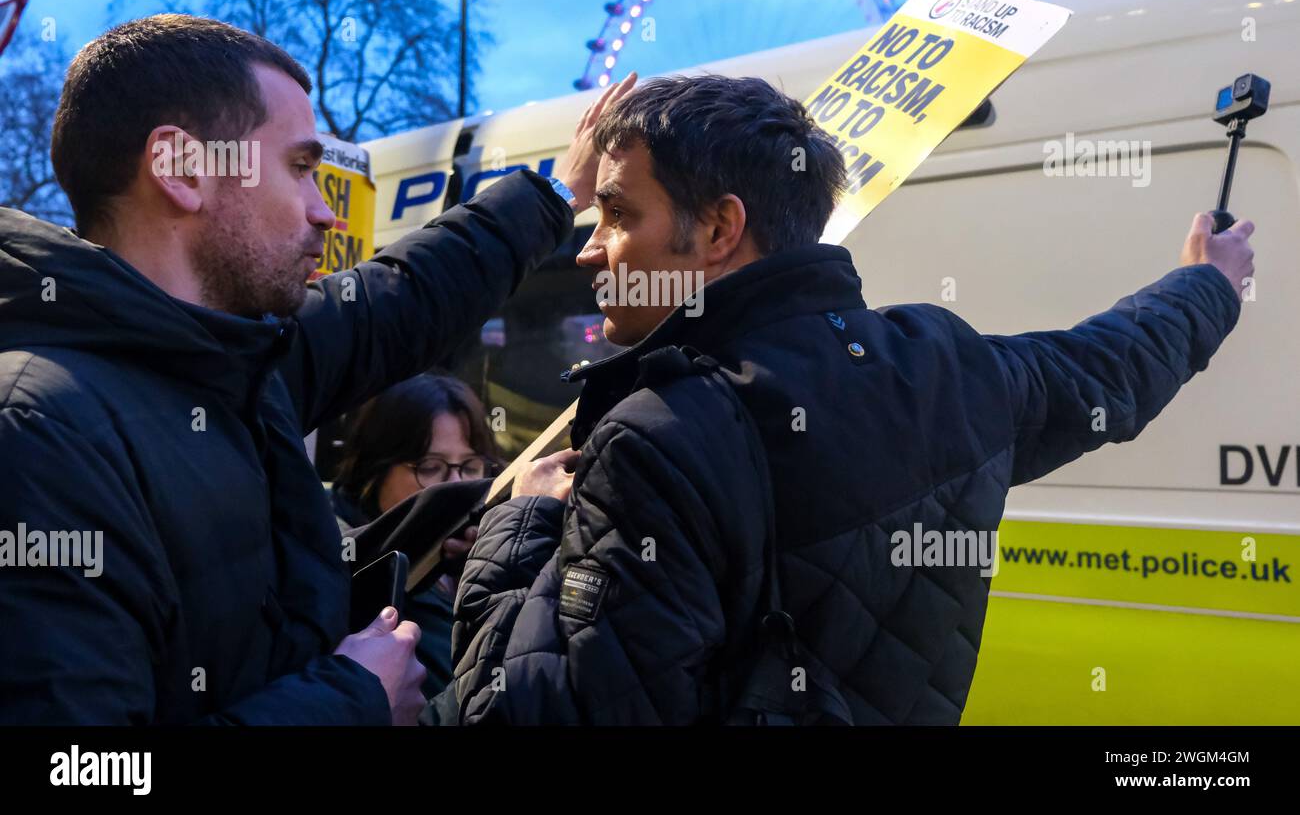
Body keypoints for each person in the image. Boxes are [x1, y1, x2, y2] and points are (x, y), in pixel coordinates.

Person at [448, 73, 1255, 724]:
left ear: (722, 228)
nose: (589, 252)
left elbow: (516, 711)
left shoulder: (656, 440)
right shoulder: (940, 364)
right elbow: (1108, 367)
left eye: (618, 214)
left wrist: (521, 522)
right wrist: (1208, 284)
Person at [0, 13, 632, 724]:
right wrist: (353, 697)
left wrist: (555, 195)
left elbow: (401, 300)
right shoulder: (37, 432)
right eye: (300, 168)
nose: (323, 212)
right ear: (180, 170)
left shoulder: (235, 365)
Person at [331, 372, 500, 694]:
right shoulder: (343, 561)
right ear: (374, 471)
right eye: (430, 467)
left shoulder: (476, 545)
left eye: (470, 466)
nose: (455, 485)